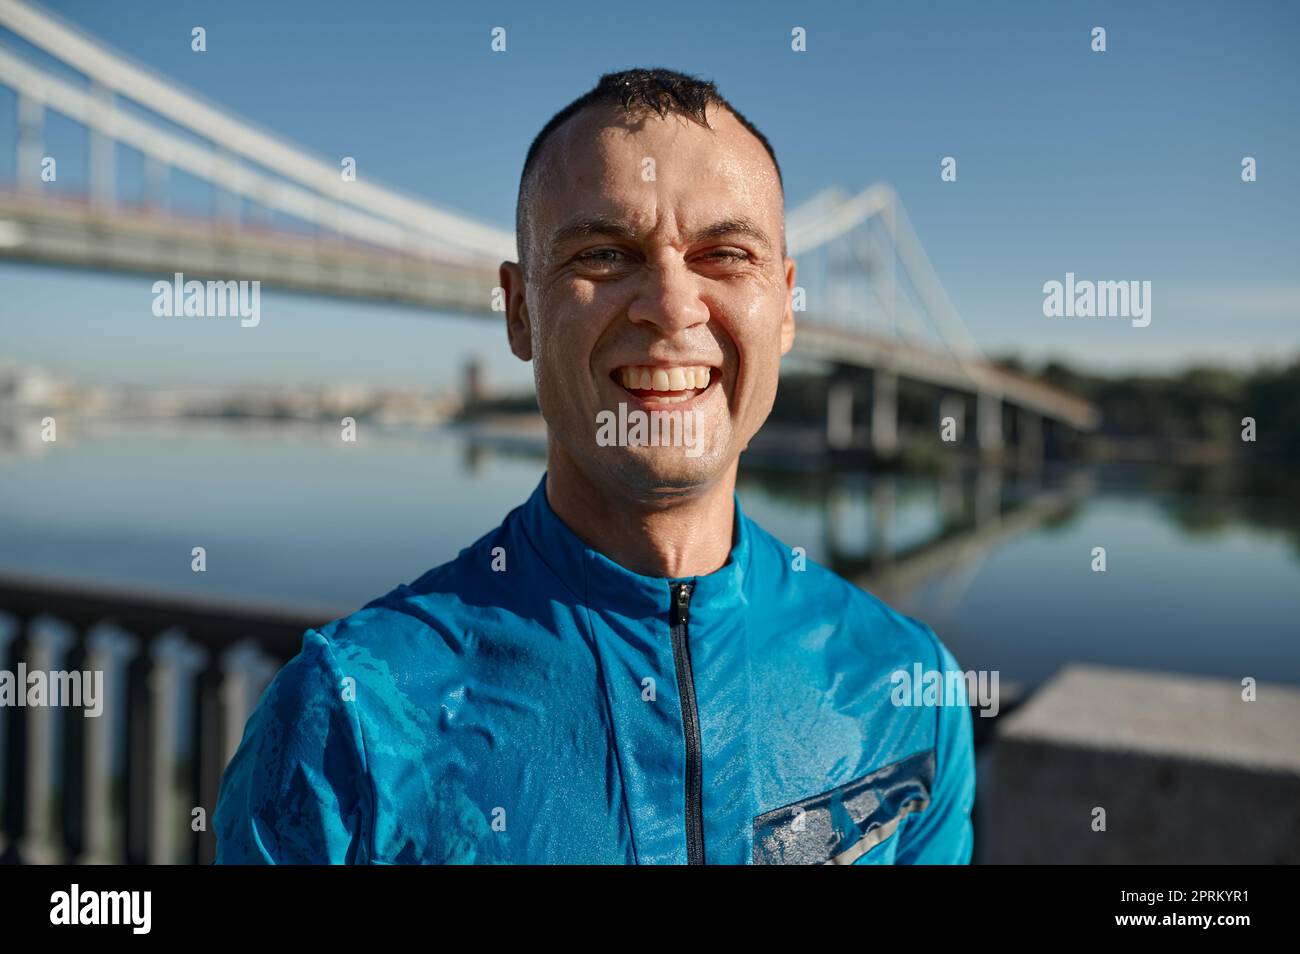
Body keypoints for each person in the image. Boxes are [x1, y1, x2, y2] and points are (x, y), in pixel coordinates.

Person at [214, 67, 975, 865]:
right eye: (606, 253)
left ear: (786, 306)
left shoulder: (907, 687)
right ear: (518, 312)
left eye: (724, 254)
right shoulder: (353, 715)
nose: (673, 304)